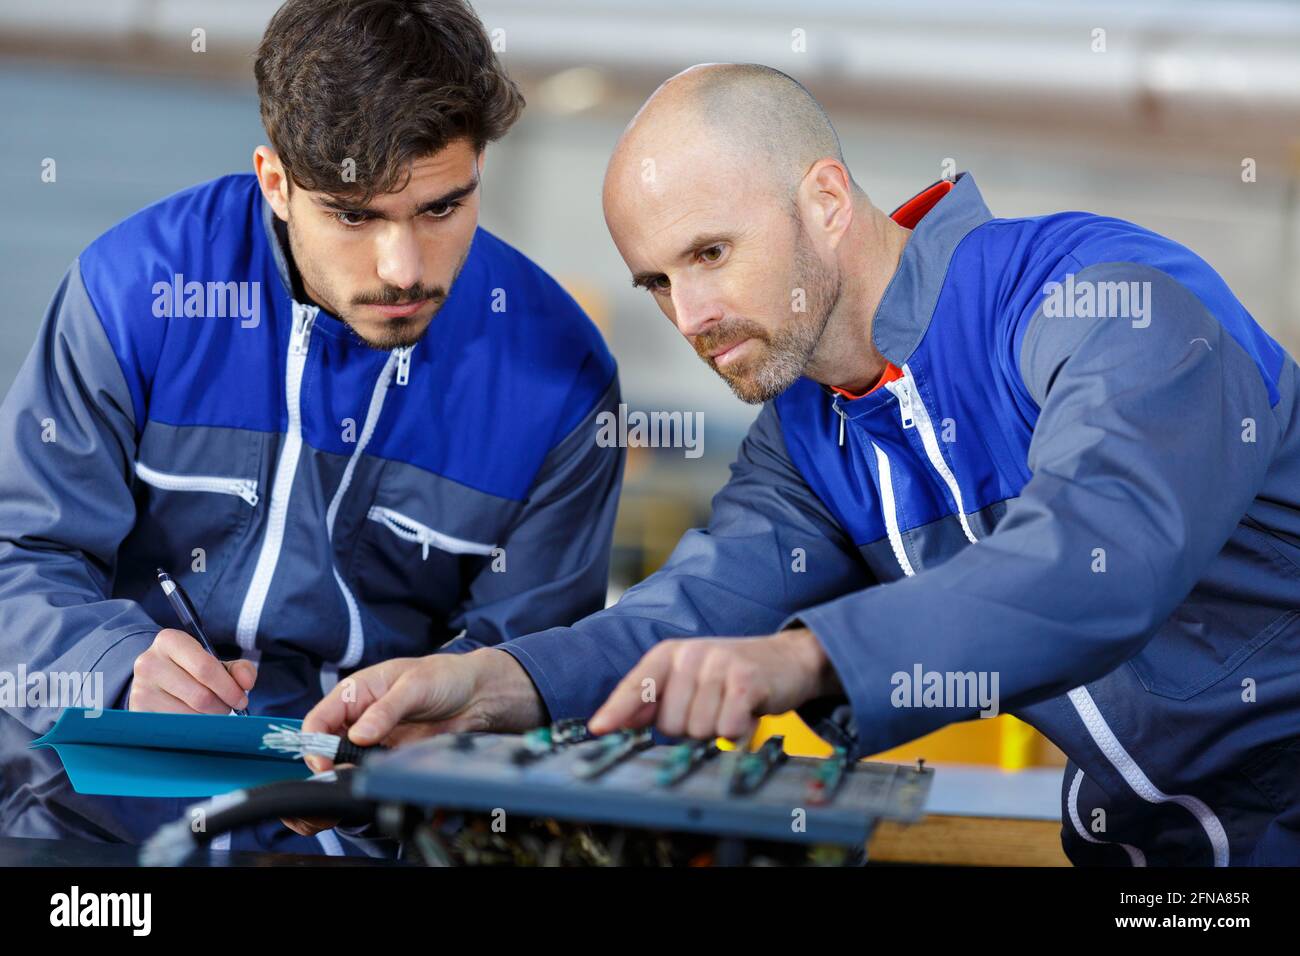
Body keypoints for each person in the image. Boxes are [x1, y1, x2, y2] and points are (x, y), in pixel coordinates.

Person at [303, 63, 1300, 866]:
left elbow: (1096, 557)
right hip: (1152, 841)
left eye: (708, 254)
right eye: (656, 281)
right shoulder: (811, 431)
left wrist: (803, 658)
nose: (688, 317)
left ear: (824, 198)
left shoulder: (1098, 304)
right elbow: (695, 609)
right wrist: (486, 682)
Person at [0, 0, 624, 853]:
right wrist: (114, 665)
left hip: (372, 834)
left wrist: (440, 747)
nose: (402, 269)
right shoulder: (130, 296)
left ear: (478, 167)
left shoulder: (561, 382)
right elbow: (17, 557)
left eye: (441, 209)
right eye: (355, 216)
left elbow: (533, 673)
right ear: (276, 182)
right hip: (81, 815)